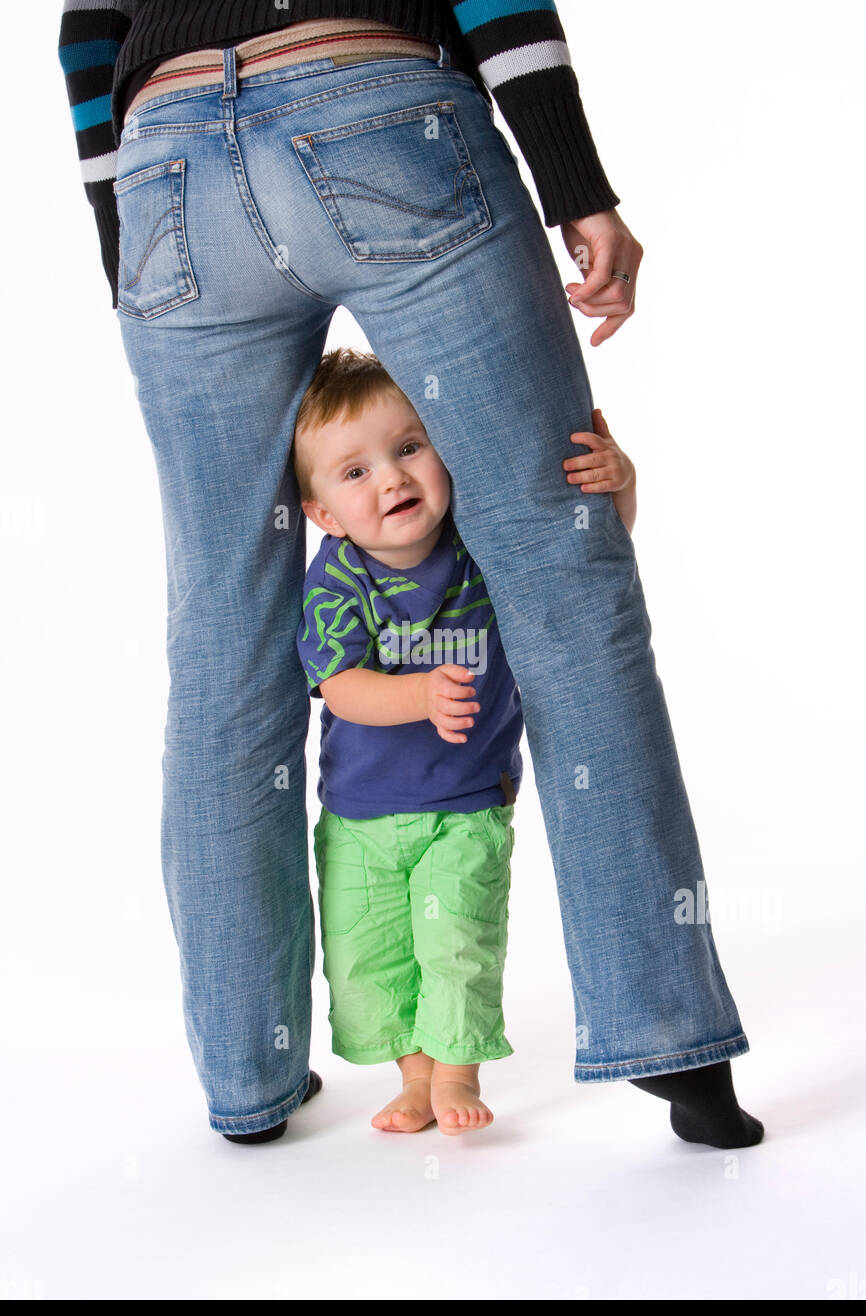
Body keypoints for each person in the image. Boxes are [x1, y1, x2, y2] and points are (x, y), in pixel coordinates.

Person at [58, 2, 763, 1149]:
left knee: (222, 639)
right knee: (558, 567)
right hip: (372, 103)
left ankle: (246, 1078)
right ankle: (668, 1039)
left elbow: (87, 21)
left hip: (164, 161)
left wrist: (125, 227)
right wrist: (571, 176)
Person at [293, 349, 640, 1136]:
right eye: (355, 472)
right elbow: (341, 684)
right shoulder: (337, 579)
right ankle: (411, 1078)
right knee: (369, 960)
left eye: (409, 447)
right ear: (321, 512)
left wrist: (621, 486)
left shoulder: (478, 546)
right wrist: (416, 693)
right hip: (359, 812)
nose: (392, 479)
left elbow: (581, 563)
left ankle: (455, 1072)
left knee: (457, 942)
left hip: (467, 801)